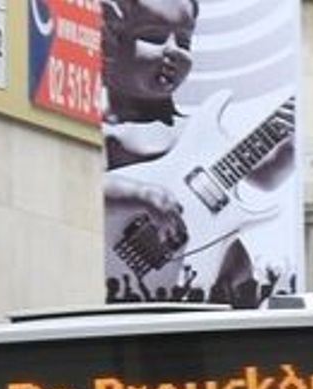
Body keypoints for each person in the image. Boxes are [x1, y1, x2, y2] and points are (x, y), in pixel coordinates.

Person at [101, 0, 294, 305]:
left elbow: (262, 176)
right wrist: (142, 195)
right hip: (130, 272)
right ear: (110, 41)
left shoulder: (198, 128)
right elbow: (81, 191)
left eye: (184, 41)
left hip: (210, 279)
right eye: (153, 37)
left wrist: (286, 154)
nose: (173, 51)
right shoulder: (110, 133)